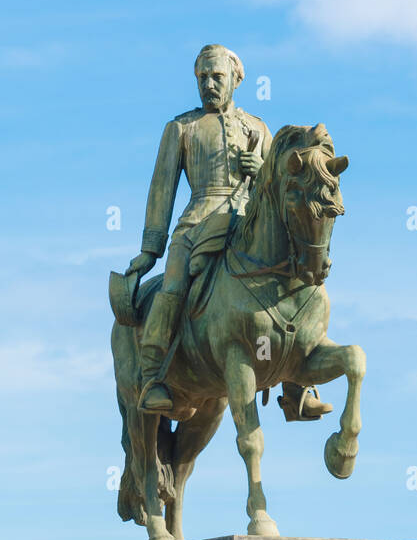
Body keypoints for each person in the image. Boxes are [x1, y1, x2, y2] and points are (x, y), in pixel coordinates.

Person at [125, 43, 333, 422]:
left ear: (236, 78)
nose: (208, 84)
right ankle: (154, 375)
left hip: (250, 222)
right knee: (173, 287)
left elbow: (280, 186)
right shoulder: (181, 128)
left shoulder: (258, 128)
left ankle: (299, 387)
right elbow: (161, 190)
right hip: (197, 224)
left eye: (216, 76)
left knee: (297, 275)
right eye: (202, 77)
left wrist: (261, 167)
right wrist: (150, 249)